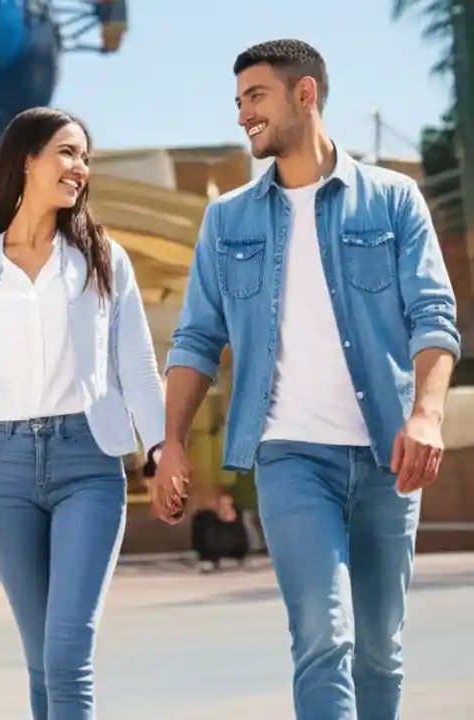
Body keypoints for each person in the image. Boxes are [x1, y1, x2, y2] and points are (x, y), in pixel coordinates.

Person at [153, 39, 459, 720]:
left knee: (380, 647)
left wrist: (427, 414)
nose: (243, 116)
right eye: (237, 102)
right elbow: (199, 337)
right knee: (324, 634)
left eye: (255, 97)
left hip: (388, 456)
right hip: (289, 455)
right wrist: (170, 441)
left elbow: (434, 316)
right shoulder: (226, 218)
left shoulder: (393, 200)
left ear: (305, 94)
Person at [0, 106, 166, 720]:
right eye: (67, 152)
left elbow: (137, 365)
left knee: (65, 653)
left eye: (85, 157)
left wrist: (162, 449)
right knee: (40, 658)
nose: (80, 167)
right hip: (1, 470)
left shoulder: (104, 258)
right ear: (26, 159)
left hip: (88, 461)